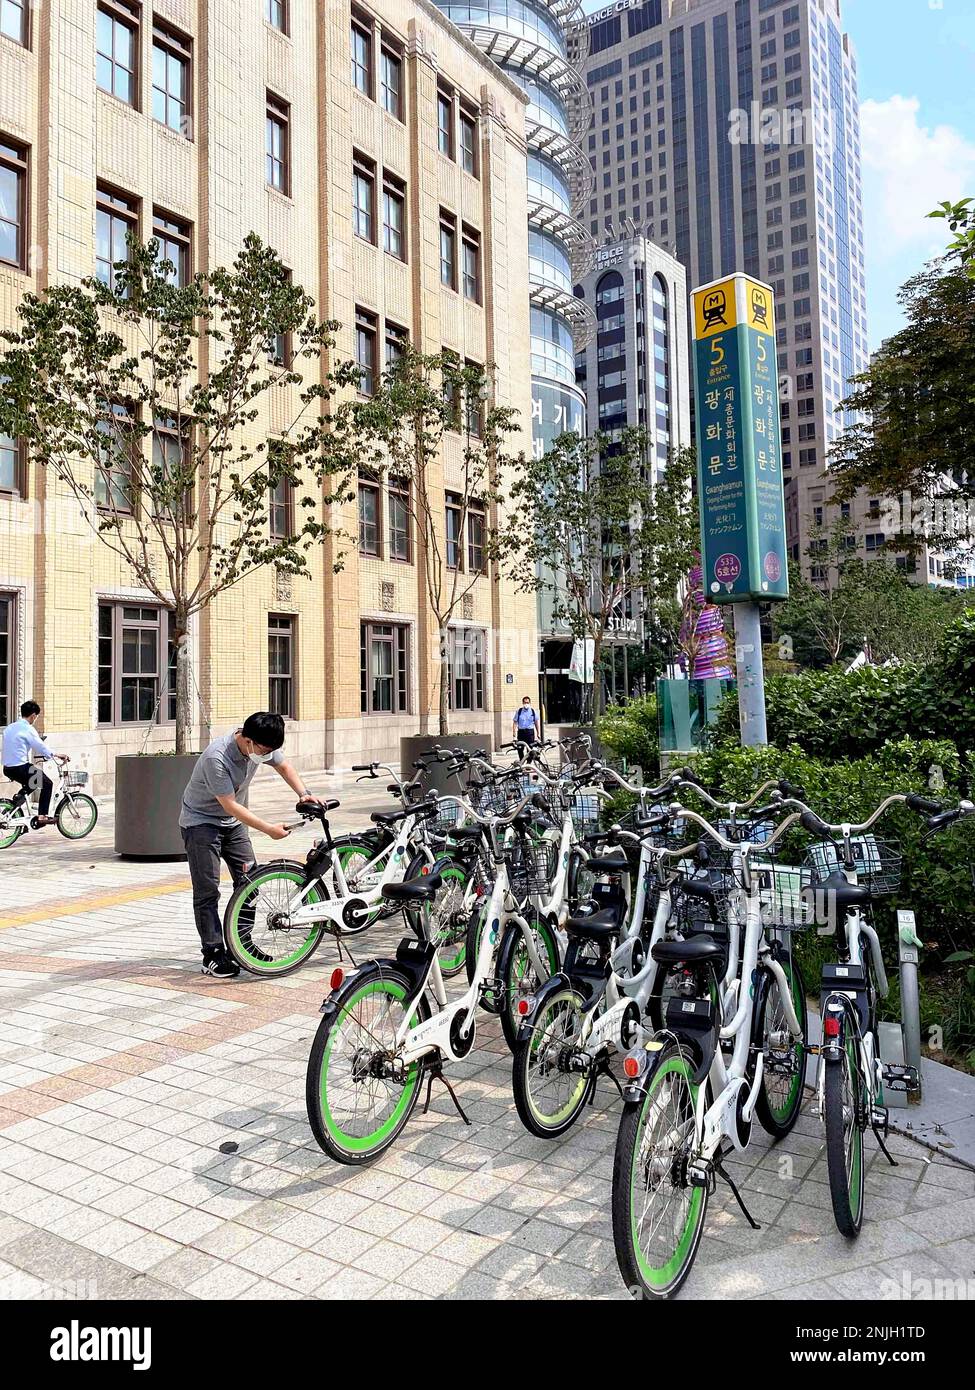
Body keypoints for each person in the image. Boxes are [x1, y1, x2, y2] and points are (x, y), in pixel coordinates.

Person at [180, 711, 320, 981]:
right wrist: (268, 830)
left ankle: (241, 945)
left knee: (250, 883)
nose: (267, 756)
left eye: (270, 751)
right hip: (201, 824)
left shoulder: (261, 744)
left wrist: (304, 794)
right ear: (247, 741)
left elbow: (284, 766)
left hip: (233, 825)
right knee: (207, 891)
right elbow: (230, 805)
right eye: (264, 751)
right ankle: (213, 953)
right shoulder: (216, 758)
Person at [1, 700, 68, 827]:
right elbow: (40, 746)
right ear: (33, 715)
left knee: (33, 782)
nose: (35, 719)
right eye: (35, 717)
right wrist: (56, 754)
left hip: (8, 768)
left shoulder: (10, 727)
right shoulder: (28, 729)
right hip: (20, 767)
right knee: (47, 783)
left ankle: (15, 804)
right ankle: (42, 816)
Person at [512, 695, 541, 760]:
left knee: (530, 749)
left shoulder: (533, 711)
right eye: (525, 702)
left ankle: (528, 763)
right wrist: (514, 732)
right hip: (521, 732)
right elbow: (515, 722)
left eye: (527, 702)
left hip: (530, 732)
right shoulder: (519, 711)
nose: (526, 704)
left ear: (530, 703)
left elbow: (536, 722)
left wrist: (538, 733)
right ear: (523, 703)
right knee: (520, 748)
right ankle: (522, 761)